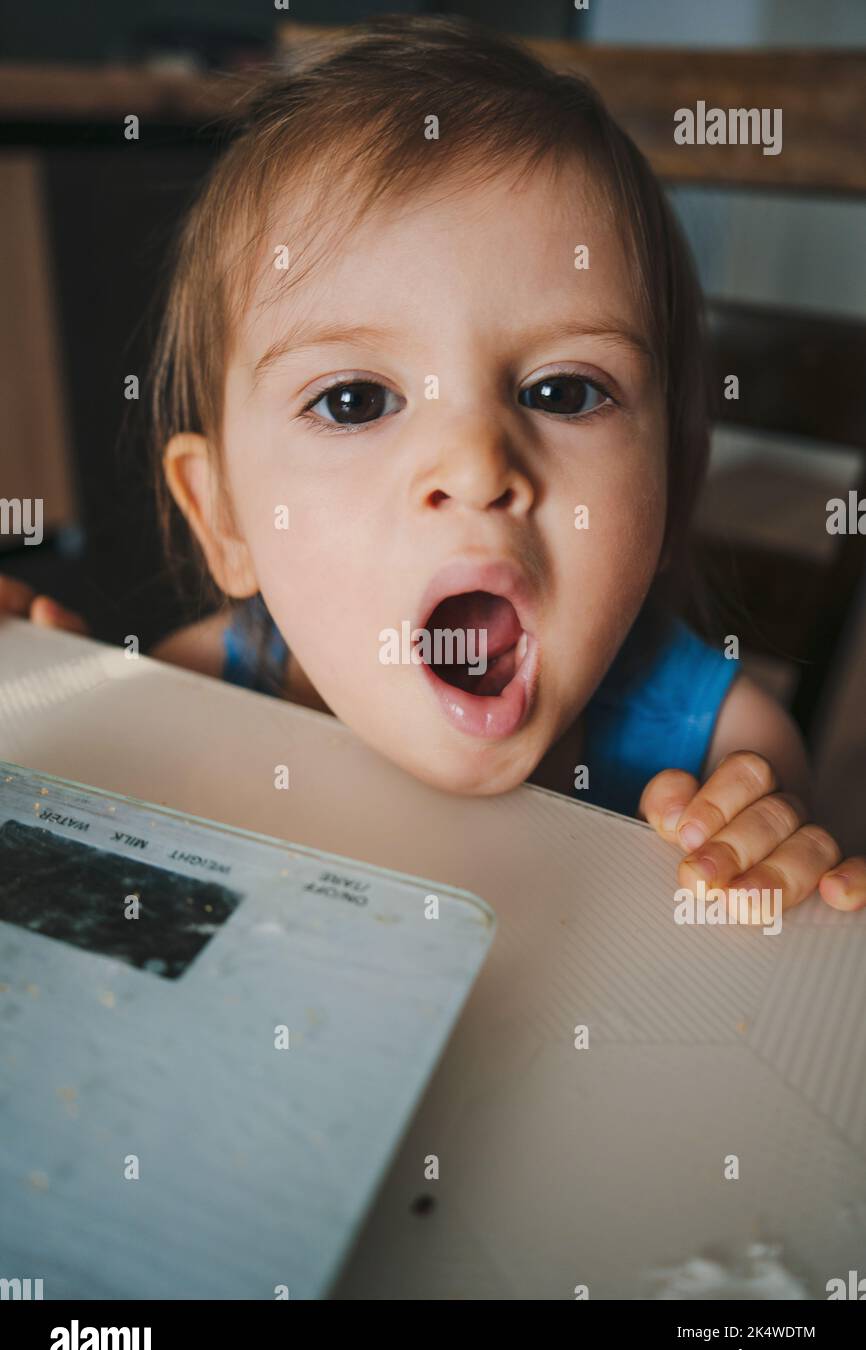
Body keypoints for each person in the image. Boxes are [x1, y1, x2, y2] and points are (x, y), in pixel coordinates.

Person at [4, 16, 863, 914]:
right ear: (226, 519)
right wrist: (55, 712)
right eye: (355, 401)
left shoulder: (725, 752)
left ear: (671, 488)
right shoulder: (201, 687)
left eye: (563, 392)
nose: (477, 464)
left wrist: (761, 860)